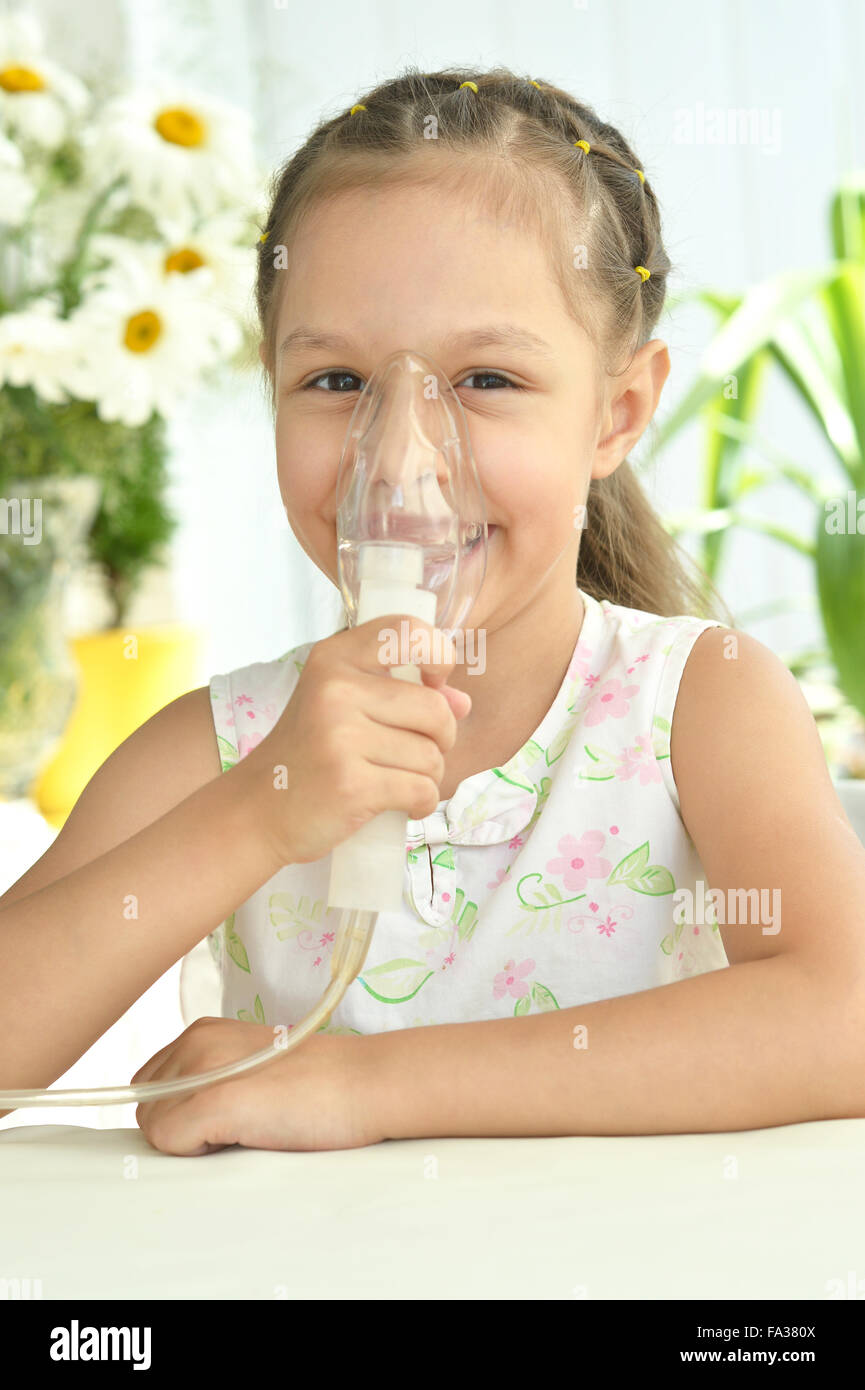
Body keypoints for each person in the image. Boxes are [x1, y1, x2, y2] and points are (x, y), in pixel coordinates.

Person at [2, 66, 864, 1156]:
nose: (401, 464)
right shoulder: (223, 755)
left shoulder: (698, 705)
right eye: (336, 382)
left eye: (486, 379)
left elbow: (844, 1017)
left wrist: (359, 1087)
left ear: (618, 411)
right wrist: (263, 811)